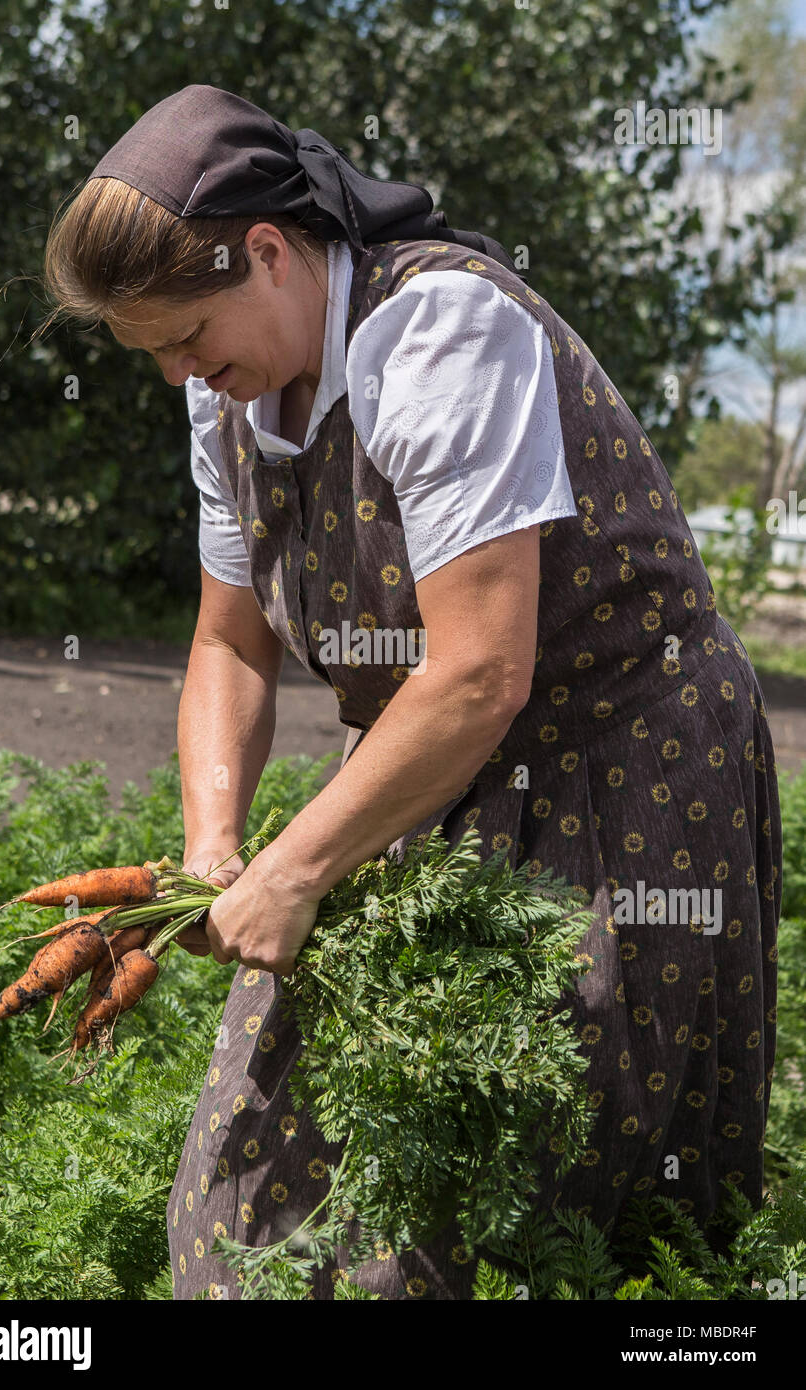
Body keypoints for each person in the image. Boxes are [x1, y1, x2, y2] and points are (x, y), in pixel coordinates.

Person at [42, 84, 782, 1301]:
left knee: (560, 1177)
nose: (179, 370)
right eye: (156, 352)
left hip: (620, 767)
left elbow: (484, 668)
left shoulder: (435, 332)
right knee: (256, 1172)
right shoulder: (223, 400)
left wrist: (296, 872)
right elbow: (230, 644)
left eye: (187, 335)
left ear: (268, 252)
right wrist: (217, 850)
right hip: (418, 760)